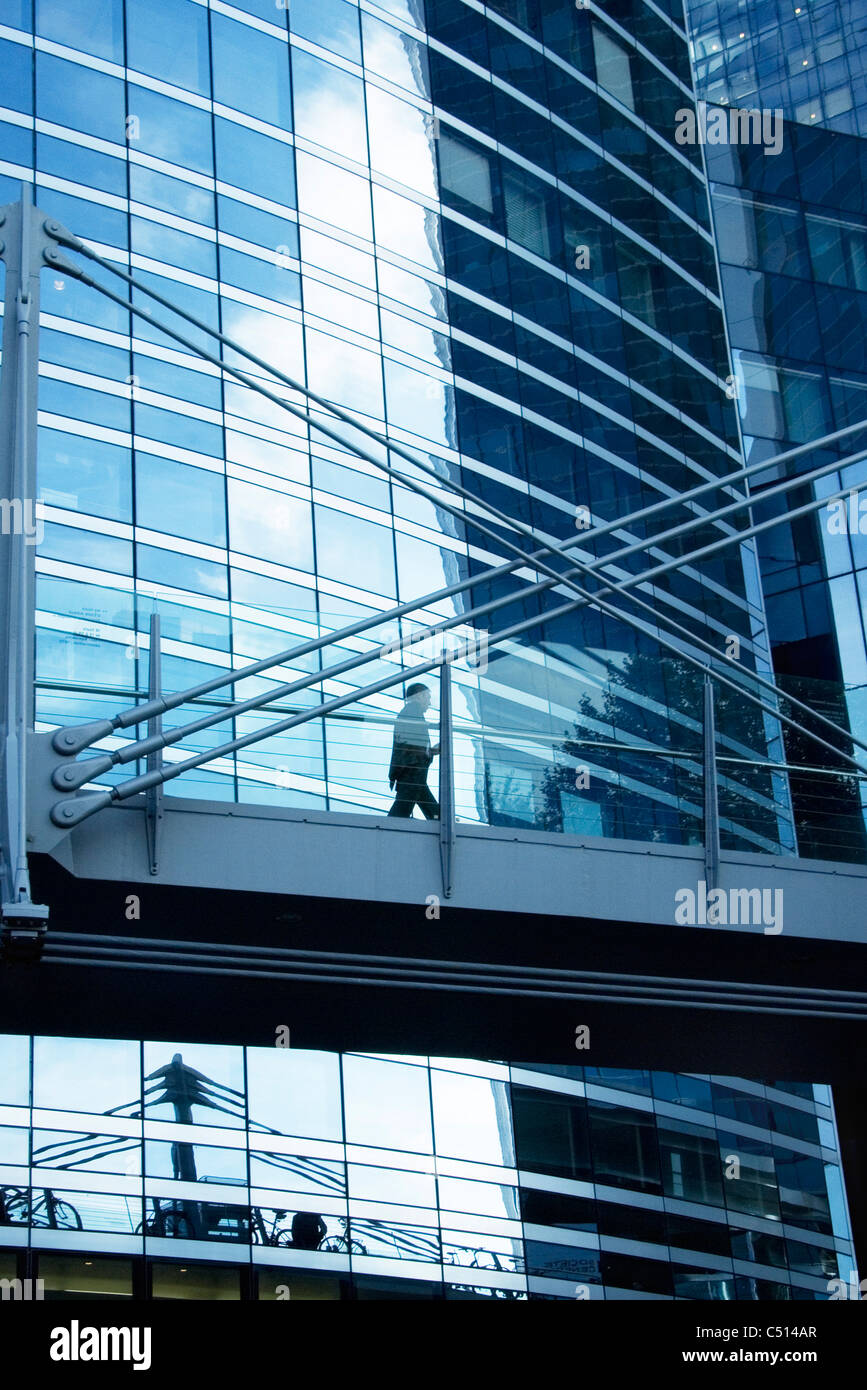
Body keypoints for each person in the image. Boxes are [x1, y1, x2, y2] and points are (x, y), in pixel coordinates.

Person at [387, 682, 440, 819]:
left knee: (417, 805)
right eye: (428, 697)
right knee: (401, 811)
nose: (429, 702)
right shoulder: (412, 711)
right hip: (411, 771)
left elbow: (411, 745)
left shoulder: (410, 712)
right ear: (419, 696)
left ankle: (440, 820)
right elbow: (412, 747)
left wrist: (432, 751)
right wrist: (430, 752)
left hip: (411, 771)